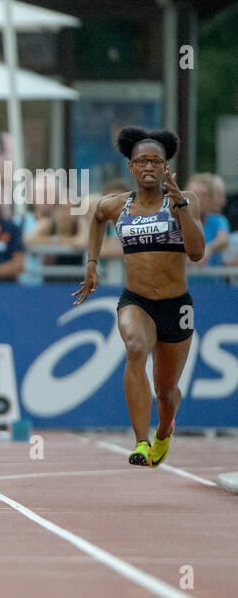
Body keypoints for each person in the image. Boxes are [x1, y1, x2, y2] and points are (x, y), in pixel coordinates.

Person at [73, 127, 205, 467]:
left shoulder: (183, 199)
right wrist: (92, 264)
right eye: (141, 161)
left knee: (166, 392)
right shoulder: (118, 206)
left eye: (155, 161)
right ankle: (142, 441)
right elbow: (97, 217)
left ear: (166, 167)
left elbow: (196, 252)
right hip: (137, 301)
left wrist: (182, 207)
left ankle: (163, 431)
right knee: (134, 348)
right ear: (130, 167)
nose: (148, 167)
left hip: (176, 306)